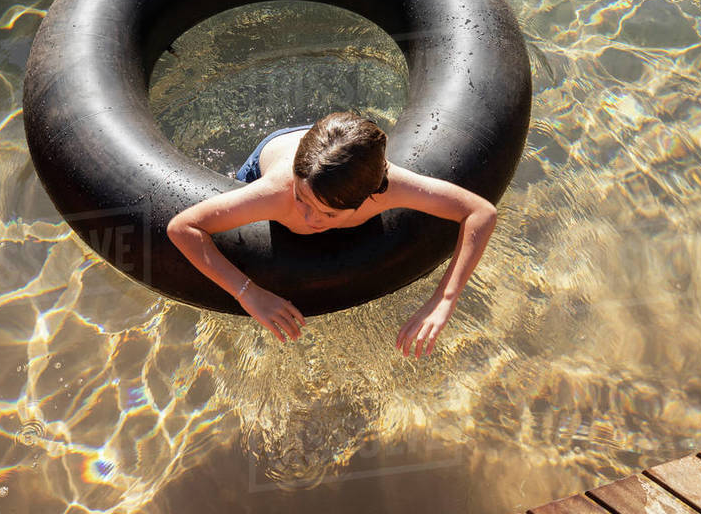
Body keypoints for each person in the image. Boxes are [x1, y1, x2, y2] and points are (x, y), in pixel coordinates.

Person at [166, 112, 497, 358]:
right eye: (302, 201)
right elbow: (183, 227)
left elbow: (480, 212)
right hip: (284, 153)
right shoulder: (276, 193)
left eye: (328, 214)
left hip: (339, 155)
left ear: (369, 198)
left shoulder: (388, 188)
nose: (310, 218)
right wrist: (246, 291)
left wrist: (444, 299)